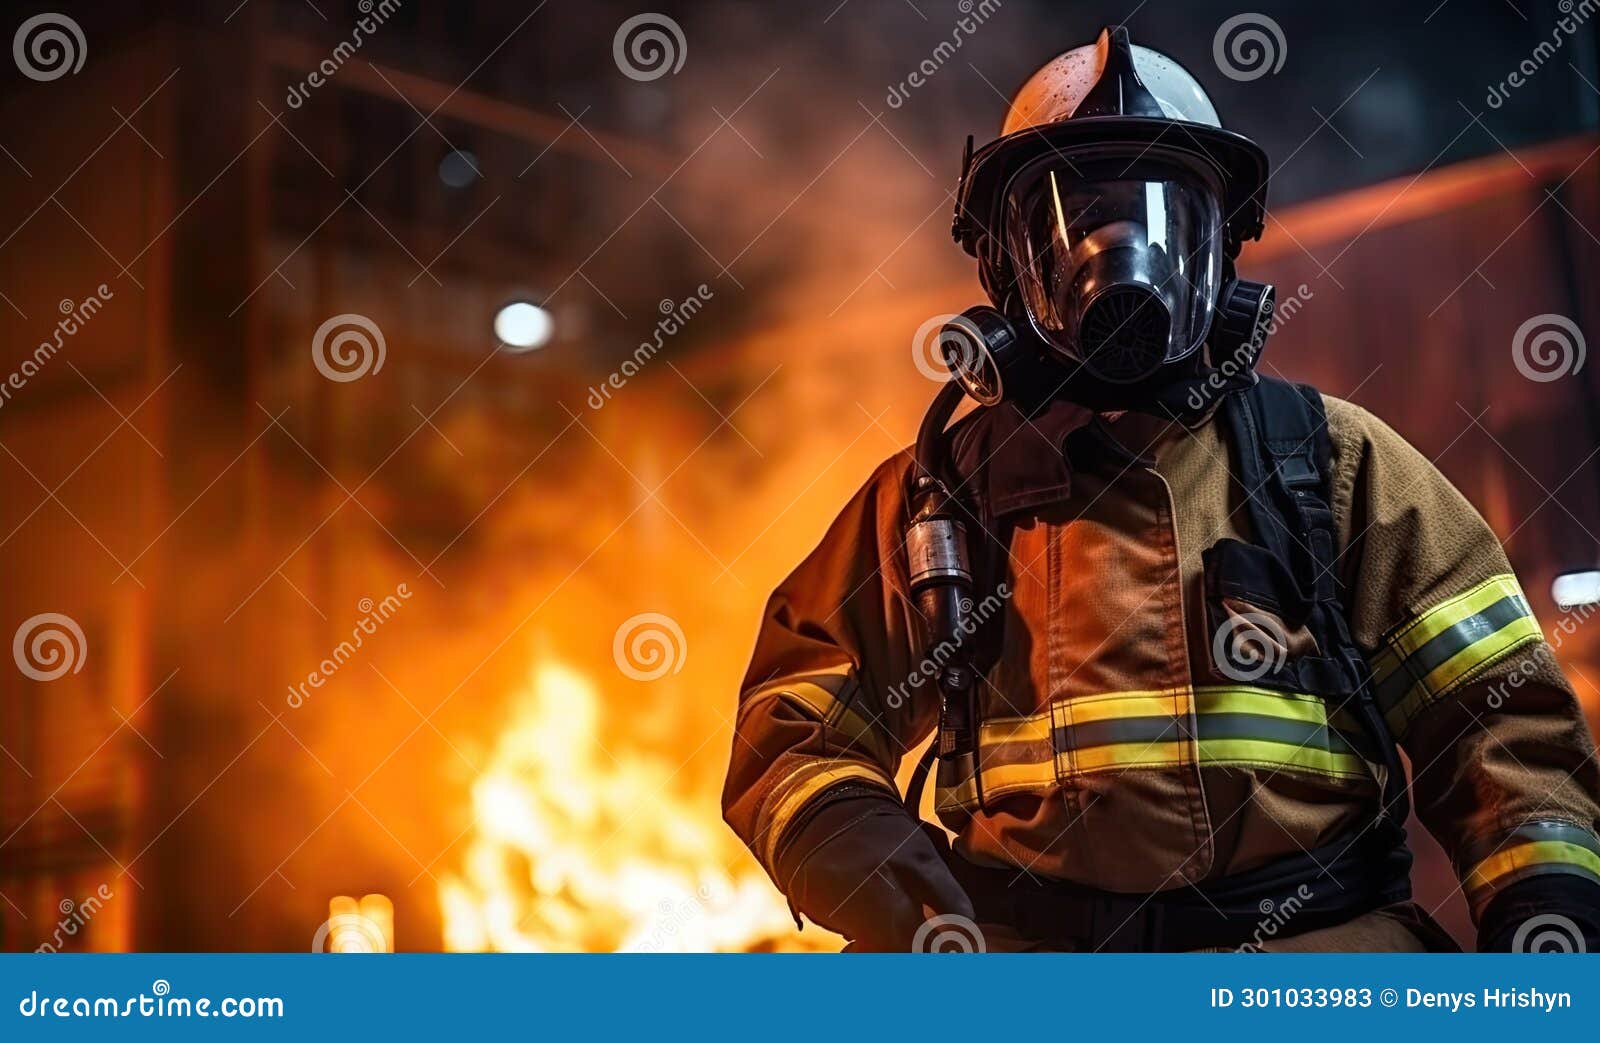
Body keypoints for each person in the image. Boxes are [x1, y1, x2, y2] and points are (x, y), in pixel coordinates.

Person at [722, 25, 1600, 952]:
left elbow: (1500, 720)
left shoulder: (1335, 464)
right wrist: (916, 913)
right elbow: (794, 734)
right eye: (1074, 218)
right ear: (1003, 263)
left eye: (1163, 214)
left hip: (1308, 961)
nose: (1121, 259)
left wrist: (1544, 924)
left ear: (1225, 249)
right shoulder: (936, 498)